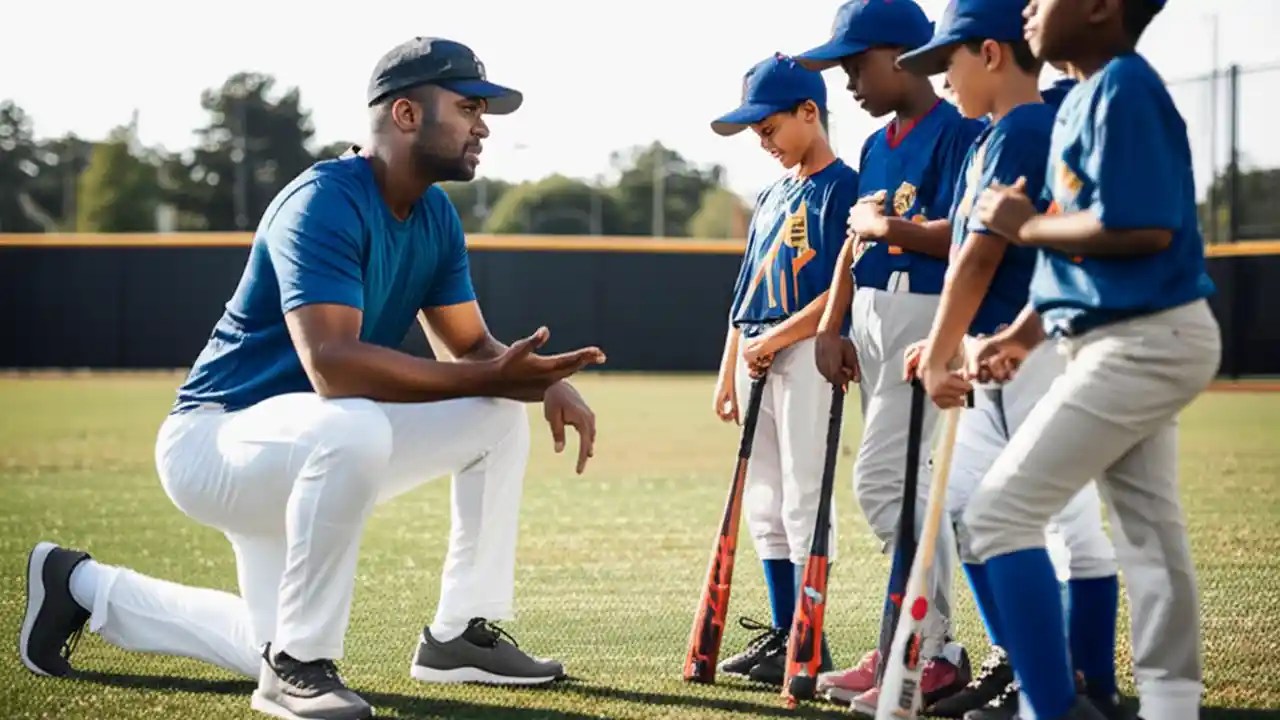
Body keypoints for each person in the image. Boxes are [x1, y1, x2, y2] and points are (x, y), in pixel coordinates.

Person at [18, 37, 606, 720]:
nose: (483, 125)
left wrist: (536, 381)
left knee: (494, 419)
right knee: (354, 419)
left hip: (316, 449)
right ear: (407, 114)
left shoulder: (436, 216)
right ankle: (298, 669)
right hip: (218, 443)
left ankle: (82, 586)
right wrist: (495, 375)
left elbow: (471, 346)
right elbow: (331, 365)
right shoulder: (322, 201)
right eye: (469, 106)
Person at [954, 0, 1219, 718]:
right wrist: (1019, 337)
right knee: (1147, 529)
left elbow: (1144, 229)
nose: (1029, 9)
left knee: (998, 514)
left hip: (1147, 337)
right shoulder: (1080, 100)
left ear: (1101, 7)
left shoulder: (1125, 86)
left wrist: (1028, 224)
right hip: (1124, 335)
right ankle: (1170, 704)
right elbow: (1076, 267)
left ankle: (1054, 707)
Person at [895, 1, 1122, 718]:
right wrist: (943, 341)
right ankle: (1040, 675)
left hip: (1035, 353)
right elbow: (972, 258)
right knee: (974, 513)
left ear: (991, 53)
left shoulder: (1022, 130)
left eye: (948, 61)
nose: (943, 78)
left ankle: (1063, 690)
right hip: (1000, 355)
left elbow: (983, 256)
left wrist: (938, 353)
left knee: (1055, 525)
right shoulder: (997, 135)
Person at [795, 0, 985, 712]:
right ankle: (908, 637)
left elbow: (971, 236)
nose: (848, 81)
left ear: (905, 55)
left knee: (886, 485)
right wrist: (832, 321)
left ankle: (933, 646)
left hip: (927, 313)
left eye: (856, 64)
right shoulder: (877, 145)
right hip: (874, 313)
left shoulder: (959, 134)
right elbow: (854, 240)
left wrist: (890, 223)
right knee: (902, 487)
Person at [708, 52, 858, 686]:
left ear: (810, 112)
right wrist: (728, 371)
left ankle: (809, 637)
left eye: (769, 128)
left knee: (802, 499)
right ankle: (781, 632)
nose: (762, 142)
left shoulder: (844, 186)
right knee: (764, 503)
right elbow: (744, 296)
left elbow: (842, 289)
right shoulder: (770, 195)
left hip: (806, 353)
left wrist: (779, 337)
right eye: (756, 134)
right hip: (756, 353)